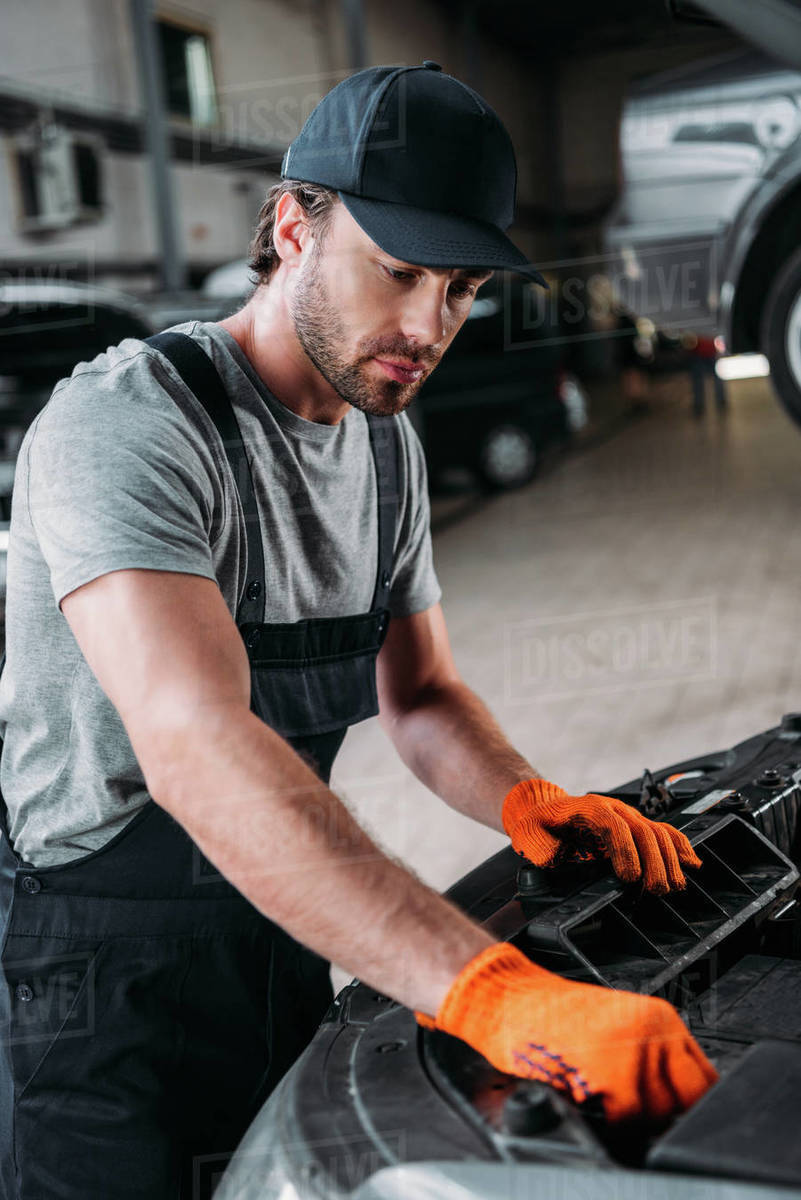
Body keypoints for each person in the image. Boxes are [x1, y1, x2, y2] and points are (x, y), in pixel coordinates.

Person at [0, 62, 717, 1199]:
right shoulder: (127, 425)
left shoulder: (387, 450)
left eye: (463, 289)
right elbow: (193, 742)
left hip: (290, 927)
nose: (430, 326)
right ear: (292, 227)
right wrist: (486, 988)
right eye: (401, 273)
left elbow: (419, 697)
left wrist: (525, 799)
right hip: (103, 996)